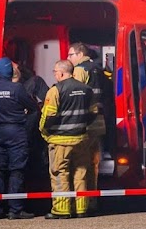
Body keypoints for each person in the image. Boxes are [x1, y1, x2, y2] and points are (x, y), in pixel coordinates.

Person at [40, 59, 97, 219]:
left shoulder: (56, 90)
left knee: (60, 173)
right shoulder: (87, 89)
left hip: (60, 141)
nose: (55, 75)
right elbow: (93, 112)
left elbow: (48, 115)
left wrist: (44, 130)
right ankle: (81, 208)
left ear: (62, 72)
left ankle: (62, 210)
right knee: (81, 172)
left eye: (55, 72)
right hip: (81, 139)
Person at [0, 57, 38, 221]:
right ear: (10, 71)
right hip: (16, 132)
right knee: (17, 169)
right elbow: (32, 107)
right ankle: (15, 210)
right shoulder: (17, 88)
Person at [69, 43, 108, 217]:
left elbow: (74, 94)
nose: (69, 58)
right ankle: (93, 199)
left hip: (85, 120)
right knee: (94, 162)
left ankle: (80, 202)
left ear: (79, 54)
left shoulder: (80, 70)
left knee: (80, 162)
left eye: (71, 55)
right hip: (98, 118)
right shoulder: (97, 69)